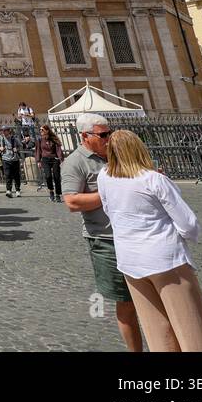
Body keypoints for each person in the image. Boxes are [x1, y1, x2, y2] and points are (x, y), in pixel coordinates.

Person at [98, 130, 202, 352]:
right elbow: (188, 223)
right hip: (165, 259)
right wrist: (188, 237)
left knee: (157, 331)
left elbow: (108, 210)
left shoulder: (104, 176)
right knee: (192, 329)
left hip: (129, 260)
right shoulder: (153, 179)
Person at [60, 112, 143, 352]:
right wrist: (112, 192)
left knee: (152, 299)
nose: (109, 138)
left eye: (110, 133)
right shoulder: (75, 163)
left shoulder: (119, 153)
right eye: (103, 135)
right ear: (85, 136)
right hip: (106, 241)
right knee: (126, 301)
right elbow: (72, 202)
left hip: (139, 236)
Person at [36, 123, 64, 201]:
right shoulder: (39, 140)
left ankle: (58, 194)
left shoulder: (54, 139)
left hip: (55, 159)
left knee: (56, 177)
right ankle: (51, 191)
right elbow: (38, 150)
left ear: (47, 131)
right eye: (40, 130)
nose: (41, 131)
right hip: (45, 159)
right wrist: (38, 160)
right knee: (48, 176)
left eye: (42, 130)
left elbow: (58, 150)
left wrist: (61, 159)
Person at [0, 126, 22, 198]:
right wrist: (0, 147)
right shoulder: (1, 138)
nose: (3, 132)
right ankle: (8, 190)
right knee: (7, 175)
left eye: (4, 131)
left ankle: (17, 190)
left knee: (16, 175)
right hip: (5, 159)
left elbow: (20, 145)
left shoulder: (14, 138)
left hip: (14, 159)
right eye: (2, 131)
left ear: (8, 131)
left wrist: (17, 149)